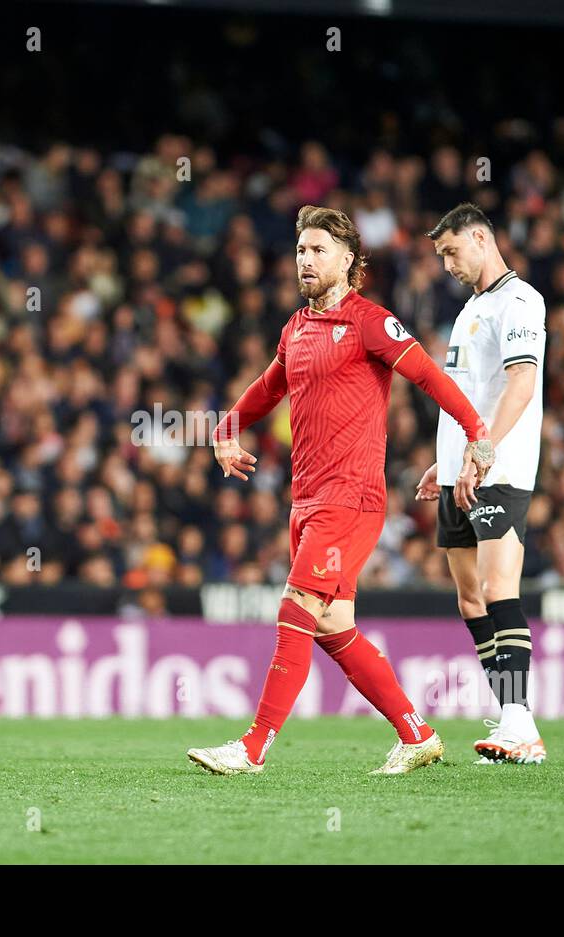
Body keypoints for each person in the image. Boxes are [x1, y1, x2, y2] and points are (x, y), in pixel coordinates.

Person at [187, 205, 492, 776]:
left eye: (318, 250)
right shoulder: (296, 328)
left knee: (296, 608)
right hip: (305, 501)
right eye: (301, 250)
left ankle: (253, 747)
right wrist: (226, 428)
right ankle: (416, 733)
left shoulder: (371, 323)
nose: (306, 260)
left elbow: (428, 375)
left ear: (348, 260)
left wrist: (477, 434)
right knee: (332, 626)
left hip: (350, 501)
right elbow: (267, 388)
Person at [415, 202, 548, 764]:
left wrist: (482, 451)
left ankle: (519, 721)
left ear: (480, 238)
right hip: (460, 467)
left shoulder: (520, 300)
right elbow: (467, 392)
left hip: (500, 467)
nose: (446, 264)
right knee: (470, 600)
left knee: (499, 590)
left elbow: (521, 382)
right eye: (440, 255)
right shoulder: (472, 309)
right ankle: (514, 718)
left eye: (451, 251)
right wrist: (444, 460)